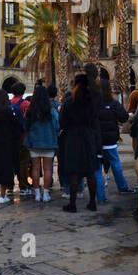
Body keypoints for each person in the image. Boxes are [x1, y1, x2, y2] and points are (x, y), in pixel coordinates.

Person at [57, 72, 104, 213]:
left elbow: (62, 121)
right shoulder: (91, 101)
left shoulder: (69, 101)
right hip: (88, 136)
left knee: (74, 172)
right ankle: (92, 203)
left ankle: (72, 204)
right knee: (90, 172)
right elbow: (95, 119)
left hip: (73, 138)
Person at [24, 82, 59, 201]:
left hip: (34, 143)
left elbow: (26, 126)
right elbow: (56, 126)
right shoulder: (52, 111)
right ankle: (46, 194)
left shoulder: (30, 111)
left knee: (35, 168)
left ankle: (37, 194)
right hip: (49, 143)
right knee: (48, 169)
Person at [97, 80, 132, 194]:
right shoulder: (114, 103)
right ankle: (122, 188)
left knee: (97, 168)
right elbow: (124, 117)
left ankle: (100, 195)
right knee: (116, 164)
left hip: (97, 141)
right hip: (110, 141)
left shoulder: (93, 104)